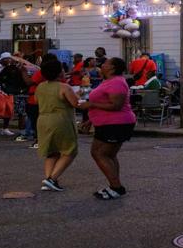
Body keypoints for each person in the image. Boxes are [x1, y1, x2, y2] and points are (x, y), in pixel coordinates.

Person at [83, 56, 135, 199]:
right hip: (107, 123)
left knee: (100, 154)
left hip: (116, 124)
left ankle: (116, 187)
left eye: (106, 63)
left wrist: (91, 105)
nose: (103, 64)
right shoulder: (108, 81)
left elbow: (116, 105)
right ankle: (114, 185)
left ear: (112, 68)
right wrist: (90, 120)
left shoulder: (117, 82)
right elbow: (104, 101)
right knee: (108, 155)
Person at [33, 54, 81, 191]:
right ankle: (52, 179)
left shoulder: (40, 86)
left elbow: (36, 101)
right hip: (60, 120)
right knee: (69, 151)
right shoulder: (64, 87)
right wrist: (80, 94)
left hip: (43, 119)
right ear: (60, 72)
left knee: (52, 151)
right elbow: (75, 103)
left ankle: (49, 179)